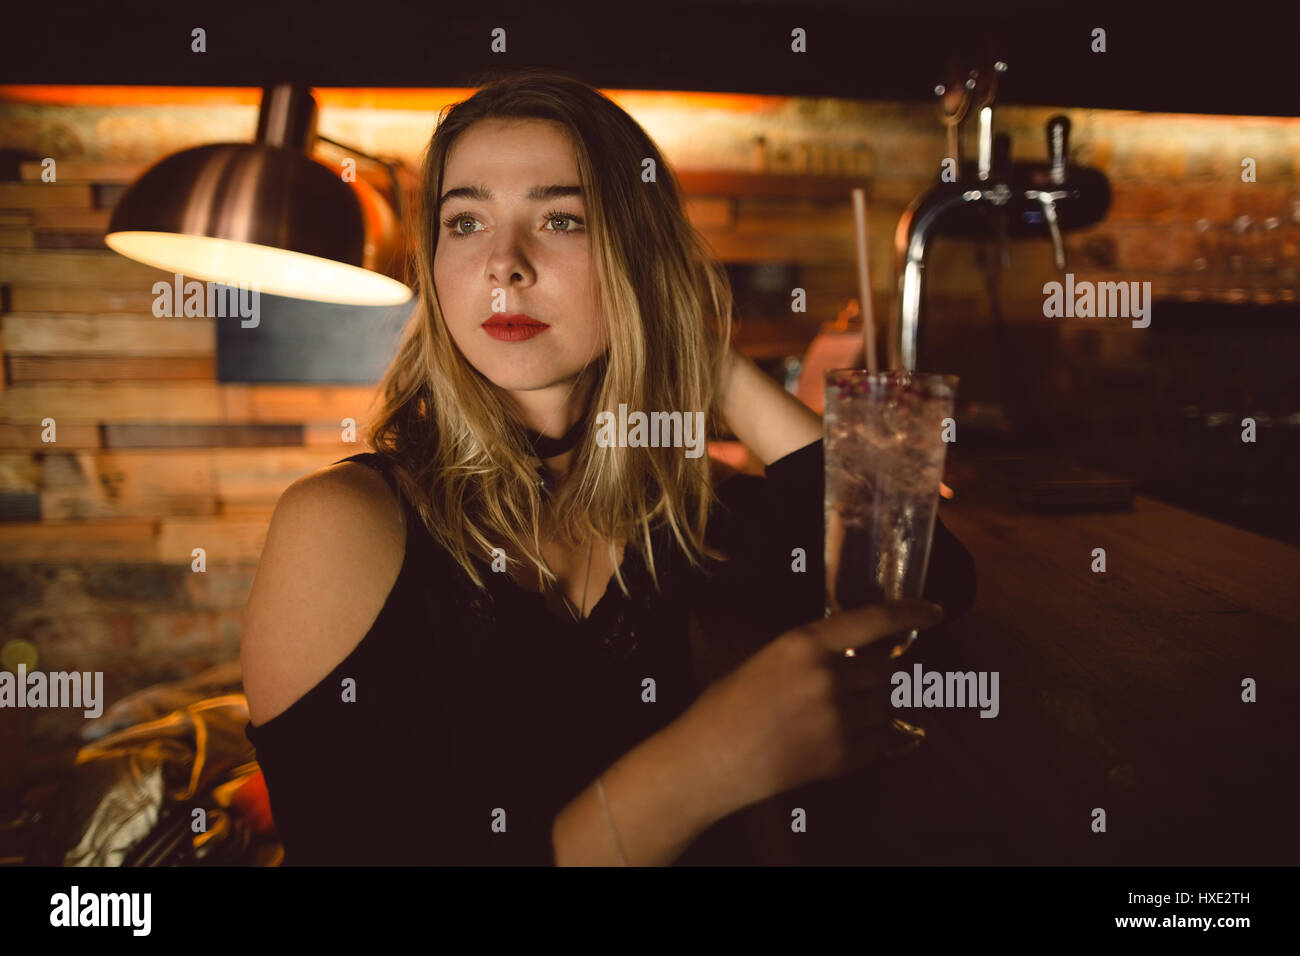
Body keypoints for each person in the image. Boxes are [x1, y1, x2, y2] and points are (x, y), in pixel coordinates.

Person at [239, 68, 976, 866]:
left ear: (638, 260)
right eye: (465, 224)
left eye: (560, 219)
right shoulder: (341, 525)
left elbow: (928, 584)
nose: (504, 265)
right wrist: (699, 768)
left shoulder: (677, 511)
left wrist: (704, 352)